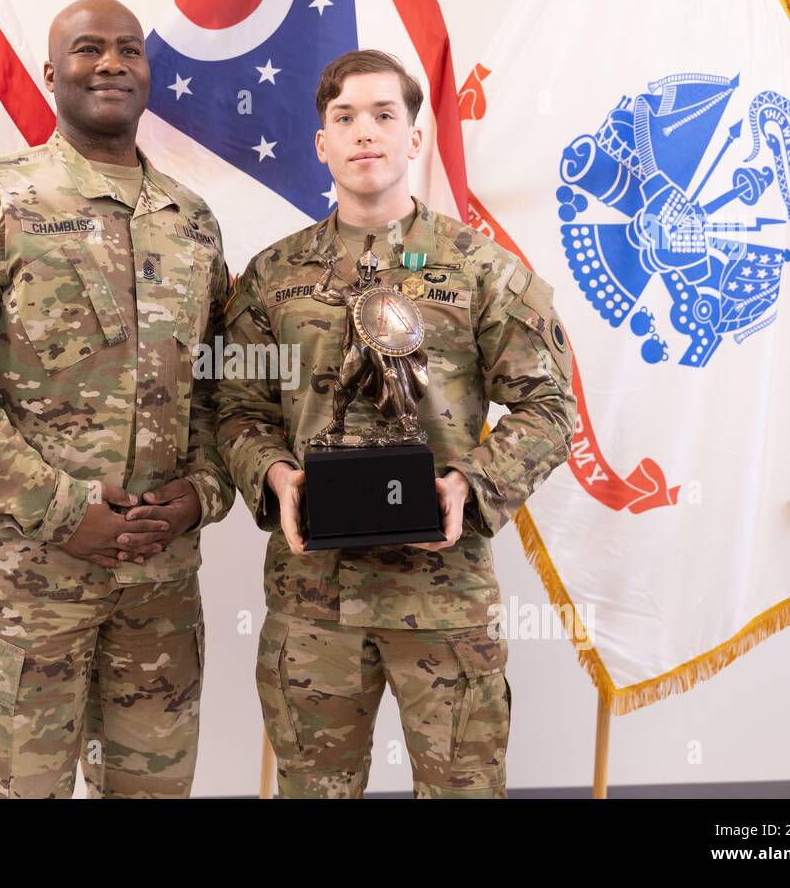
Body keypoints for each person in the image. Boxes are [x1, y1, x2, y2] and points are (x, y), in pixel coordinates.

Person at [216, 49, 578, 798]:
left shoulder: (483, 269)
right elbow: (236, 408)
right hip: (314, 598)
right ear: (321, 144)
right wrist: (276, 478)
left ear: (415, 138)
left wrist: (469, 485)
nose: (364, 132)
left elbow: (550, 407)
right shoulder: (272, 277)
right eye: (344, 118)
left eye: (385, 115)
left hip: (443, 598)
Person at [0, 0, 234, 798]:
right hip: (26, 585)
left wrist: (202, 493)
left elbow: (228, 384)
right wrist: (60, 509)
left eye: (128, 50)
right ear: (52, 73)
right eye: (89, 50)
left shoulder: (192, 221)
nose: (112, 64)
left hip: (158, 587)